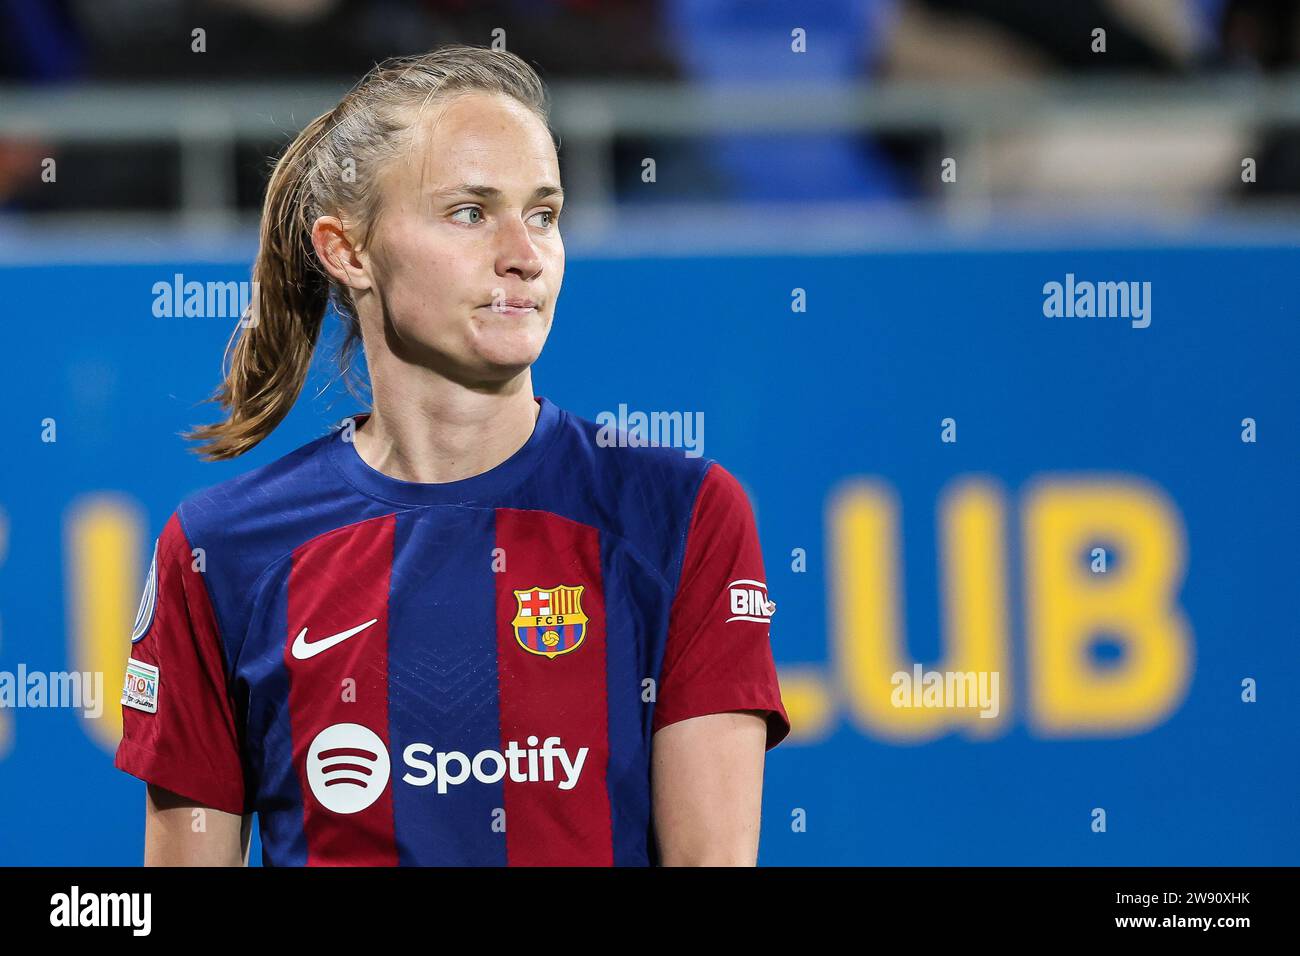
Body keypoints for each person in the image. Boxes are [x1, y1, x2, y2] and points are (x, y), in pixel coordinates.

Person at [114, 43, 789, 866]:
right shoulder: (218, 551)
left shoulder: (682, 515)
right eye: (471, 212)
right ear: (348, 252)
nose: (525, 254)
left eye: (543, 214)